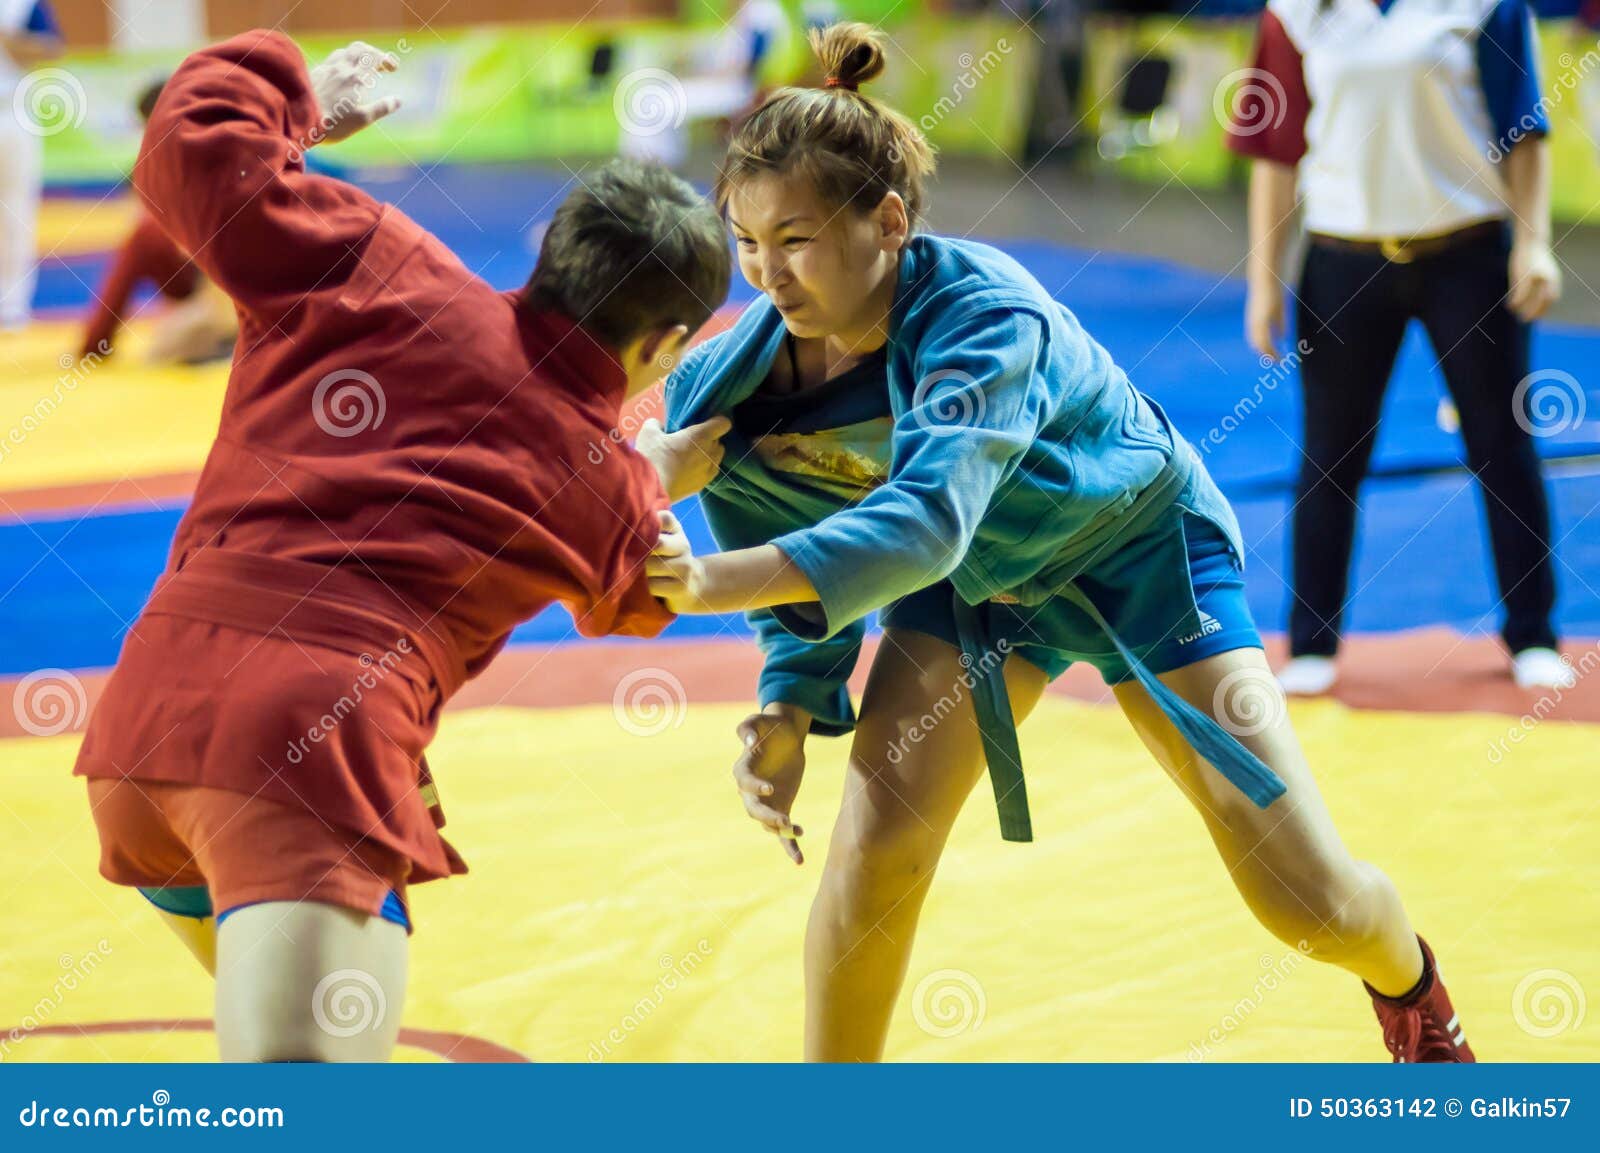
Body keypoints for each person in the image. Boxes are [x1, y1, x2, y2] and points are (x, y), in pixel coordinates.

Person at [646, 22, 1475, 1063]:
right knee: (873, 850)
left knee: (1303, 899)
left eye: (798, 239)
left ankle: (1410, 985)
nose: (768, 272)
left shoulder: (983, 317)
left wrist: (695, 580)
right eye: (747, 241)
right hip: (982, 587)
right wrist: (786, 698)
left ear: (889, 221)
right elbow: (786, 531)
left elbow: (922, 524)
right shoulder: (727, 388)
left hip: (1138, 549)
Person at [73, 30, 730, 1062]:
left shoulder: (374, 257)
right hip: (301, 756)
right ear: (660, 345)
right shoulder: (608, 484)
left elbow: (188, 151)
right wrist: (658, 471)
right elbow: (651, 590)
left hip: (141, 723)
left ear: (552, 254)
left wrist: (301, 107)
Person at [1228, 0, 1570, 694]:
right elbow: (1276, 153)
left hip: (1469, 257)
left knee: (1501, 445)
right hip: (1340, 263)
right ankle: (1313, 641)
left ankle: (1533, 632)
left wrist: (1534, 244)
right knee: (1329, 456)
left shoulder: (1486, 7)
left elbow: (1524, 130)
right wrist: (1263, 281)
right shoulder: (1291, 14)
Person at [79, 80, 236, 364]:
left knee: (167, 345)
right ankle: (225, 327)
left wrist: (93, 346)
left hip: (231, 291)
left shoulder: (213, 160)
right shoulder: (163, 168)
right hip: (227, 291)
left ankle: (227, 329)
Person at [0, 0, 62, 329]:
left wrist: (10, 39)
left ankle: (12, 306)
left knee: (15, 211)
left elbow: (52, 48)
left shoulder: (22, 4)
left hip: (12, 110)